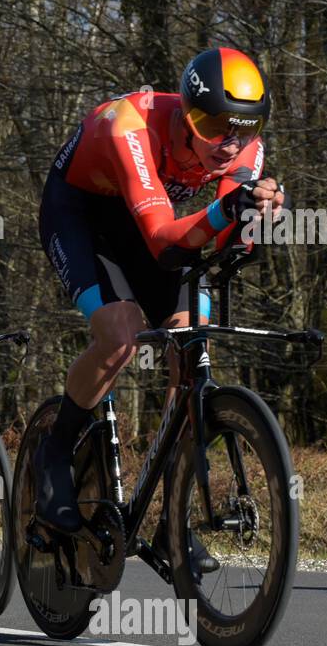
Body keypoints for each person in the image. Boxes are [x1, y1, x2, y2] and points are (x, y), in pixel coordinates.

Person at [36, 46, 286, 572]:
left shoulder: (244, 148)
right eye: (212, 124)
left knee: (191, 346)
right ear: (186, 112)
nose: (230, 143)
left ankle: (174, 523)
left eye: (245, 128)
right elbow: (162, 243)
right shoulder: (130, 125)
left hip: (158, 222)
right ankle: (54, 453)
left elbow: (228, 239)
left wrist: (253, 224)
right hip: (85, 217)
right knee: (121, 333)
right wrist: (225, 210)